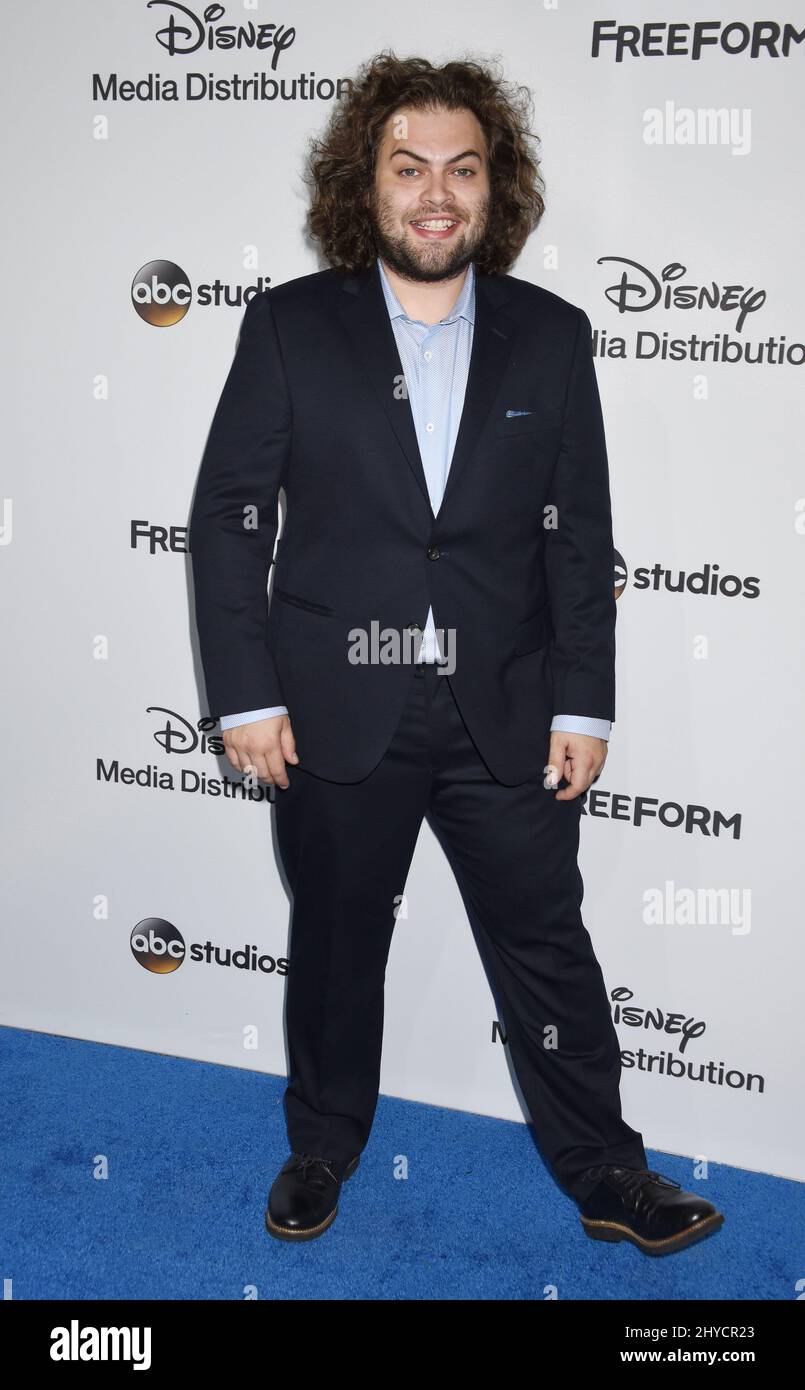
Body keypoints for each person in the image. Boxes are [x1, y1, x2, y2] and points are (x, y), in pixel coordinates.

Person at [189, 52, 724, 1257]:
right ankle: (321, 1145)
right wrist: (247, 693)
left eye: (462, 169)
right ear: (364, 184)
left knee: (548, 951)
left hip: (507, 712)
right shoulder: (287, 327)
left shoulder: (551, 337)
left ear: (496, 188)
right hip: (332, 706)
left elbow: (579, 540)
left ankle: (608, 1174)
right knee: (334, 940)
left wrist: (583, 706)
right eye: (408, 166)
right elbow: (230, 520)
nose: (437, 193)